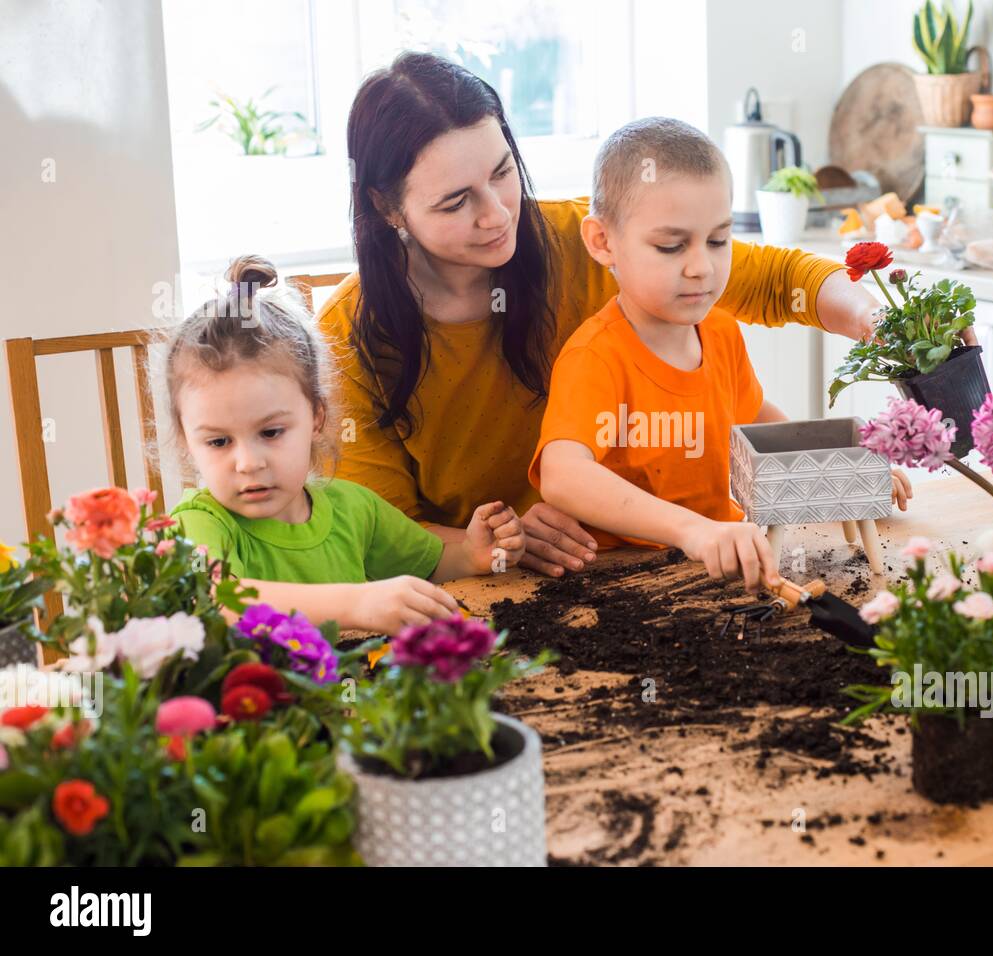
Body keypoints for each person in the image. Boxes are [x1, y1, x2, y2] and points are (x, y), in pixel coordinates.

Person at [316, 51, 888, 582]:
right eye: (456, 201)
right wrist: (504, 540)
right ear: (387, 206)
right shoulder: (346, 339)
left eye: (502, 172)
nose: (497, 215)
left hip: (643, 565)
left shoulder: (585, 243)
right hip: (499, 591)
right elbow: (379, 533)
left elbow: (779, 281)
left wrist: (881, 321)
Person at [529, 118, 911, 592]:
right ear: (603, 242)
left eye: (717, 241)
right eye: (671, 246)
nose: (701, 267)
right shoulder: (595, 356)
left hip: (720, 566)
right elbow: (562, 475)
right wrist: (692, 530)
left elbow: (760, 423)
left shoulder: (722, 331)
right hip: (622, 581)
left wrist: (843, 469)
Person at [163, 255, 524, 635]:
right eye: (219, 441)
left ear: (317, 417)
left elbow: (430, 564)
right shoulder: (197, 523)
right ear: (187, 441)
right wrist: (356, 603)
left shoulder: (354, 509)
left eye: (270, 433)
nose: (248, 463)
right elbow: (217, 600)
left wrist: (471, 554)